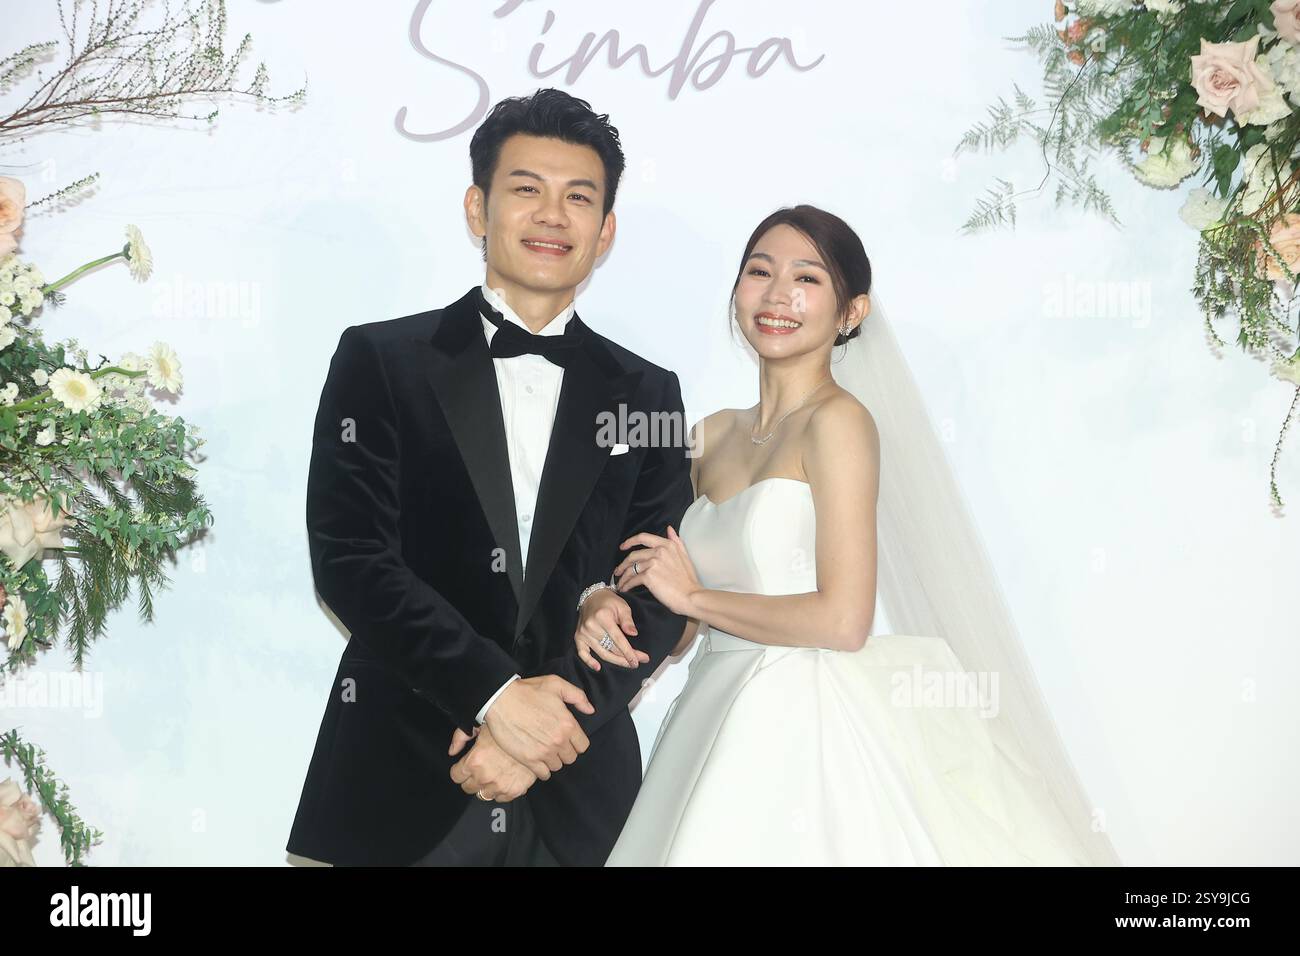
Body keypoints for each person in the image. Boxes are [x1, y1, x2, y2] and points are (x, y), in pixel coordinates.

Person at [574, 204, 1123, 866]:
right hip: (709, 711)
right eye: (759, 271)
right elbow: (680, 613)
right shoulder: (710, 434)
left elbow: (843, 619)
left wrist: (693, 601)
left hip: (807, 716)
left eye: (806, 279)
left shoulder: (839, 423)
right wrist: (603, 602)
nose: (777, 295)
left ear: (850, 312)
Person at [285, 88, 695, 867]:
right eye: (525, 190)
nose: (552, 216)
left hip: (581, 793)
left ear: (605, 230)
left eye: (579, 198)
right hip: (401, 767)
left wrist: (543, 736)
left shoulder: (650, 393)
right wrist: (499, 699)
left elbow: (659, 594)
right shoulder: (379, 361)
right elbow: (351, 560)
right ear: (478, 208)